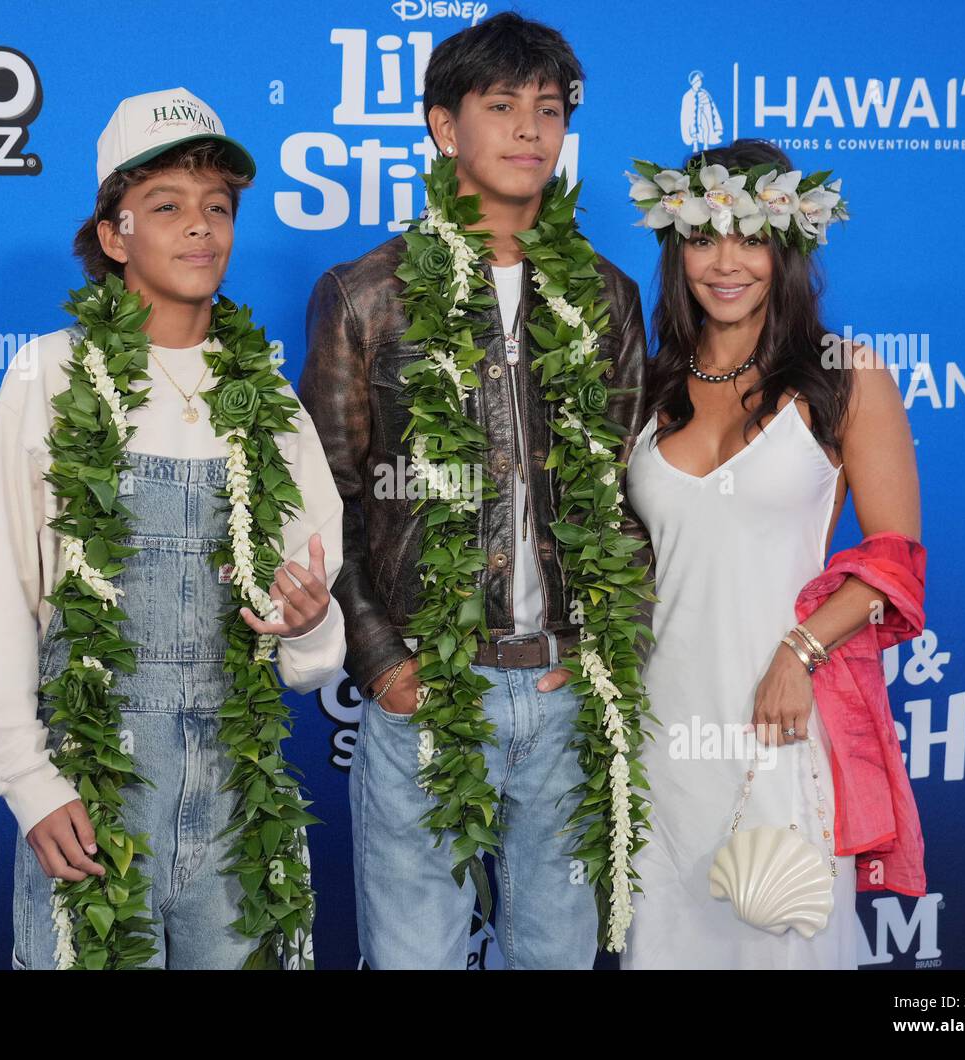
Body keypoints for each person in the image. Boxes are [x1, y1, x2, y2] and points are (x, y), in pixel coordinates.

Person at [0, 88, 346, 969]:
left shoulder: (267, 397)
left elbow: (313, 627)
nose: (199, 228)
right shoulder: (52, 376)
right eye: (166, 207)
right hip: (93, 786)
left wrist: (310, 622)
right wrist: (29, 783)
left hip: (243, 796)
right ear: (116, 233)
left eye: (217, 208)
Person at [299, 13, 652, 969]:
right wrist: (384, 666)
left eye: (549, 109)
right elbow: (321, 501)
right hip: (426, 687)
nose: (531, 129)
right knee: (415, 955)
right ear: (445, 127)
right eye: (502, 107)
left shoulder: (608, 296)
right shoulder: (363, 292)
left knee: (561, 953)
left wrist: (599, 649)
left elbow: (628, 492)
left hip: (567, 686)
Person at [621, 138, 924, 968]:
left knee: (785, 939)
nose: (727, 262)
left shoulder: (845, 379)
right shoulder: (646, 388)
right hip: (663, 728)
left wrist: (800, 651)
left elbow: (894, 562)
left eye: (751, 237)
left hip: (784, 717)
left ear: (786, 249)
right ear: (676, 247)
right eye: (704, 237)